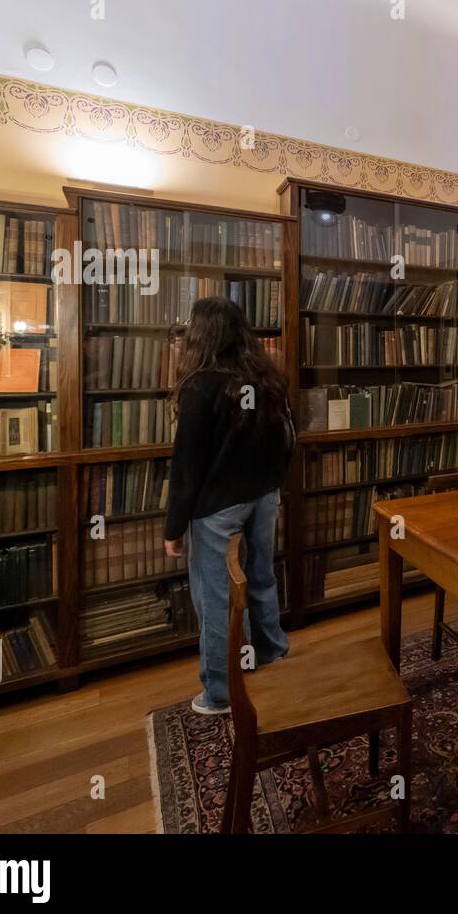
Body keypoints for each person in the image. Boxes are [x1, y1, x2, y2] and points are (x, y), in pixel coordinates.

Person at [164, 296, 293, 715]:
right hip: (264, 496)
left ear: (201, 336)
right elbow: (287, 437)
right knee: (260, 576)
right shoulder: (265, 378)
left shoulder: (201, 385)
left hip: (219, 505)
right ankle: (270, 650)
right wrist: (273, 484)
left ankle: (220, 691)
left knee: (216, 595)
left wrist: (174, 527)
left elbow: (187, 464)